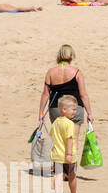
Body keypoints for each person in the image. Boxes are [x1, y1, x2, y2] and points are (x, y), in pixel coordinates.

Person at [38, 45, 94, 173]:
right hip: (75, 108)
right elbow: (83, 94)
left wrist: (41, 113)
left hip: (56, 109)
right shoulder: (76, 72)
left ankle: (58, 169)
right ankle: (69, 171)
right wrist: (89, 113)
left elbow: (45, 94)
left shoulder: (50, 72)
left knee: (58, 139)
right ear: (71, 56)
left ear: (59, 55)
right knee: (72, 139)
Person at [47, 95, 82, 193]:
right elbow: (70, 139)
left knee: (58, 175)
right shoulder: (69, 124)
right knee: (72, 175)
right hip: (68, 155)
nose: (75, 112)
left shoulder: (56, 122)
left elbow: (52, 135)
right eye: (73, 109)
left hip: (57, 154)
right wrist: (69, 154)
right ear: (64, 109)